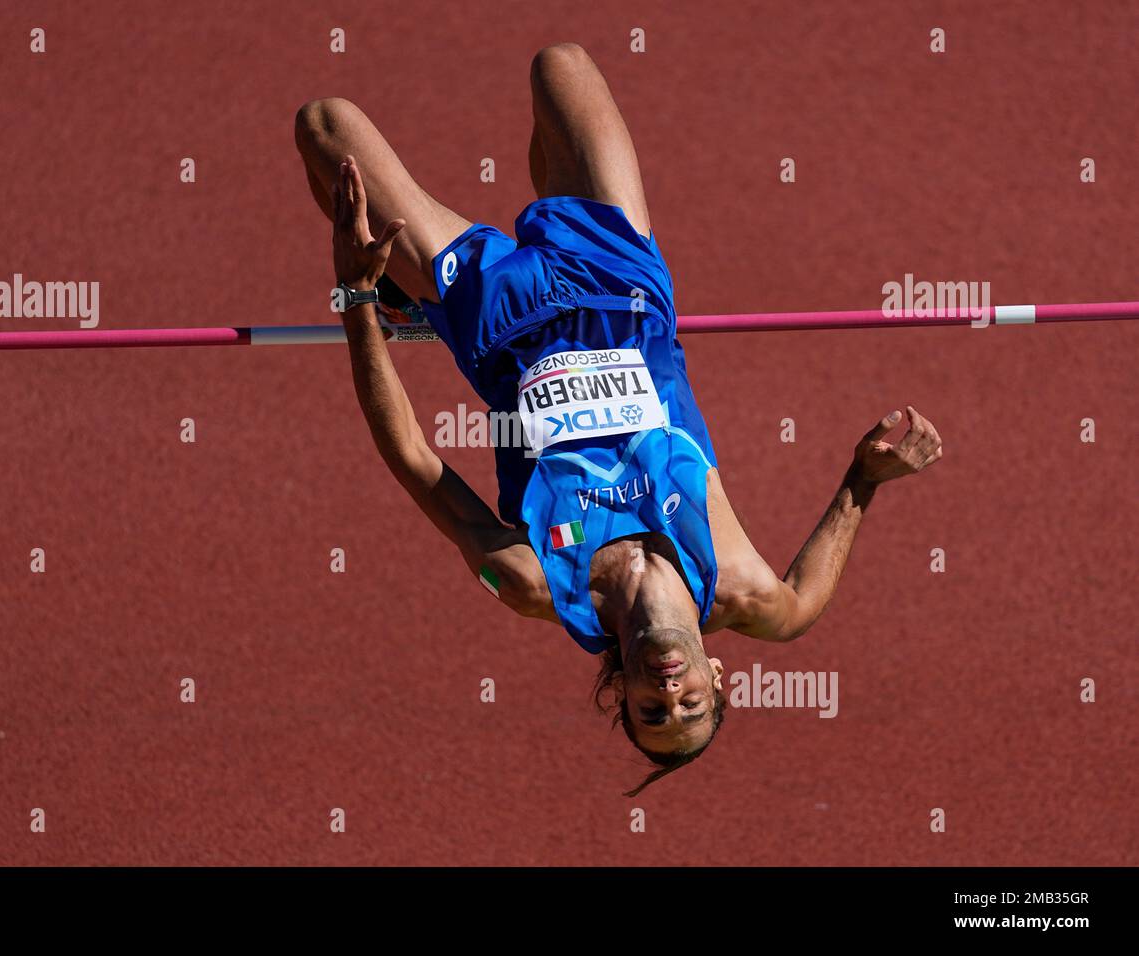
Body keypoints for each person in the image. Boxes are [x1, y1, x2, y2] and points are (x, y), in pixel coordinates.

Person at [294, 43, 943, 795]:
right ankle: (544, 203)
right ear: (720, 677)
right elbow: (805, 597)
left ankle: (404, 288)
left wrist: (358, 300)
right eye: (691, 704)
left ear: (620, 696)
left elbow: (413, 457)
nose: (670, 691)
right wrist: (864, 479)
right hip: (620, 276)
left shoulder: (539, 583)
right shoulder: (740, 588)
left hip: (496, 315)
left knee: (323, 126)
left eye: (651, 710)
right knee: (557, 65)